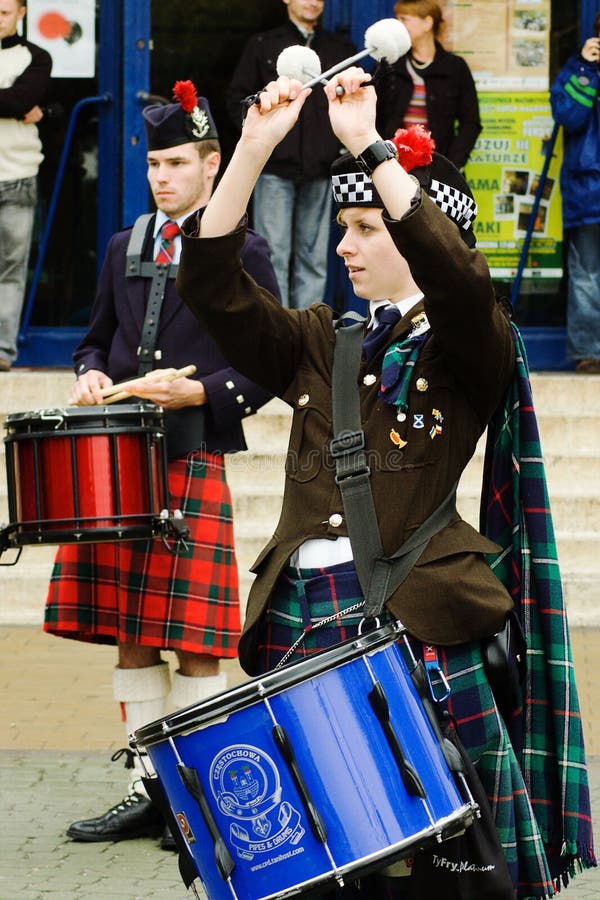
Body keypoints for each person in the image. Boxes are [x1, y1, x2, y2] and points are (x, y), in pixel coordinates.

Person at [176, 69, 594, 897]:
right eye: (343, 226)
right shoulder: (319, 339)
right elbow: (211, 288)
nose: (344, 245)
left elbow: (463, 283)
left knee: (444, 876)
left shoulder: (472, 348)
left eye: (365, 227)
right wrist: (253, 148)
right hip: (300, 621)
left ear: (413, 236)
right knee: (321, 866)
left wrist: (371, 145)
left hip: (420, 624)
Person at [43, 81, 280, 850]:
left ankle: (201, 796)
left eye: (177, 162)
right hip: (115, 465)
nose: (161, 177)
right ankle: (148, 788)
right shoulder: (125, 243)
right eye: (153, 163)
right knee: (133, 633)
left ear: (214, 165)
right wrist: (86, 372)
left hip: (189, 458)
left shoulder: (244, 251)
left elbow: (274, 364)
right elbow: (93, 338)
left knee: (199, 640)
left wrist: (200, 393)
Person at [226, 0, 355, 309]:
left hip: (320, 168)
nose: (312, 2)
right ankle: (278, 331)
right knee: (273, 255)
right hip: (274, 170)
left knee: (314, 259)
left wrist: (331, 146)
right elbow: (237, 99)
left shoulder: (338, 47)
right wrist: (262, 143)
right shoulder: (263, 44)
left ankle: (309, 334)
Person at [0, 0, 52, 371]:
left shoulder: (36, 56)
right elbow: (17, 101)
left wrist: (19, 103)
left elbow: (23, 97)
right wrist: (16, 105)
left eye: (3, 12)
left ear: (21, 13)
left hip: (18, 175)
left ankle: (2, 351)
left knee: (11, 268)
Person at [373, 0, 480, 171]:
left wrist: (452, 164)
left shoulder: (455, 67)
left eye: (404, 19)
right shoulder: (389, 64)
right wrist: (378, 160)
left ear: (427, 23)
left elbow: (470, 122)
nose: (398, 26)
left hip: (438, 167)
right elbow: (372, 114)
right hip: (392, 166)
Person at [550, 10, 600, 374]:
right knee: (587, 274)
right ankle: (590, 353)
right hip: (590, 187)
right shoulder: (578, 70)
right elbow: (569, 116)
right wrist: (585, 69)